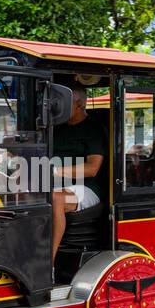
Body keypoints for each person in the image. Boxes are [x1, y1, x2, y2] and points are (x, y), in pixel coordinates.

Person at [50, 85, 107, 262]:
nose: (57, 106)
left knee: (55, 198)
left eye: (63, 102)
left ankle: (47, 263)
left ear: (79, 104)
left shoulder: (93, 129)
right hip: (56, 183)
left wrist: (57, 170)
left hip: (86, 188)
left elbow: (92, 168)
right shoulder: (56, 129)